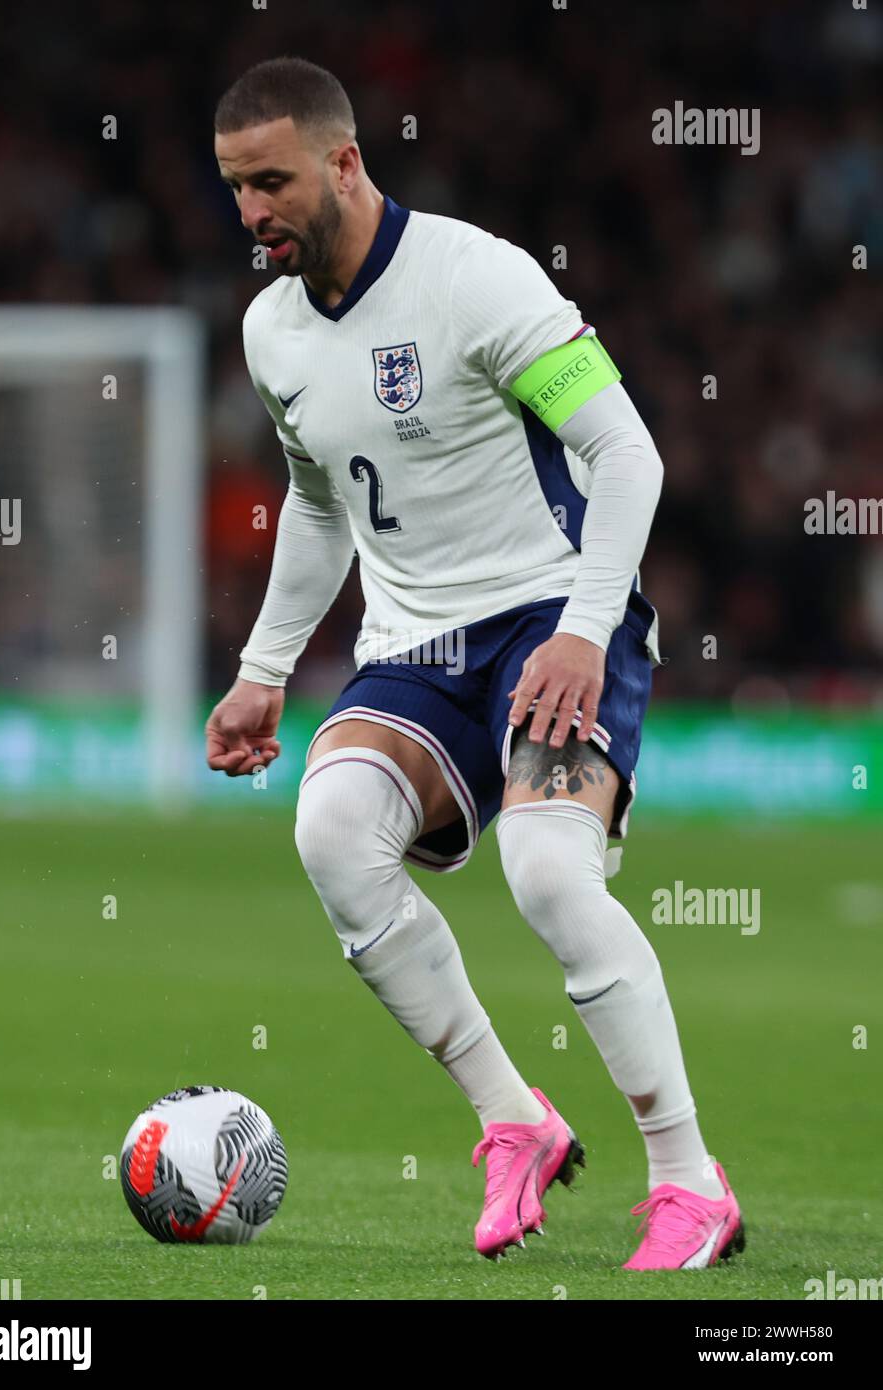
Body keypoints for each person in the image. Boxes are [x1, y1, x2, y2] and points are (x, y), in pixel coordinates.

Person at [206, 56, 744, 1270]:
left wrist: (586, 627)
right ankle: (515, 1117)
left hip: (553, 607)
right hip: (416, 645)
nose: (253, 214)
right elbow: (314, 500)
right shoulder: (270, 331)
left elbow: (628, 455)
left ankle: (686, 1180)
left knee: (550, 876)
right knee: (331, 831)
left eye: (274, 182)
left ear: (346, 160)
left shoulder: (476, 278)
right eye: (236, 188)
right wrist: (264, 666)